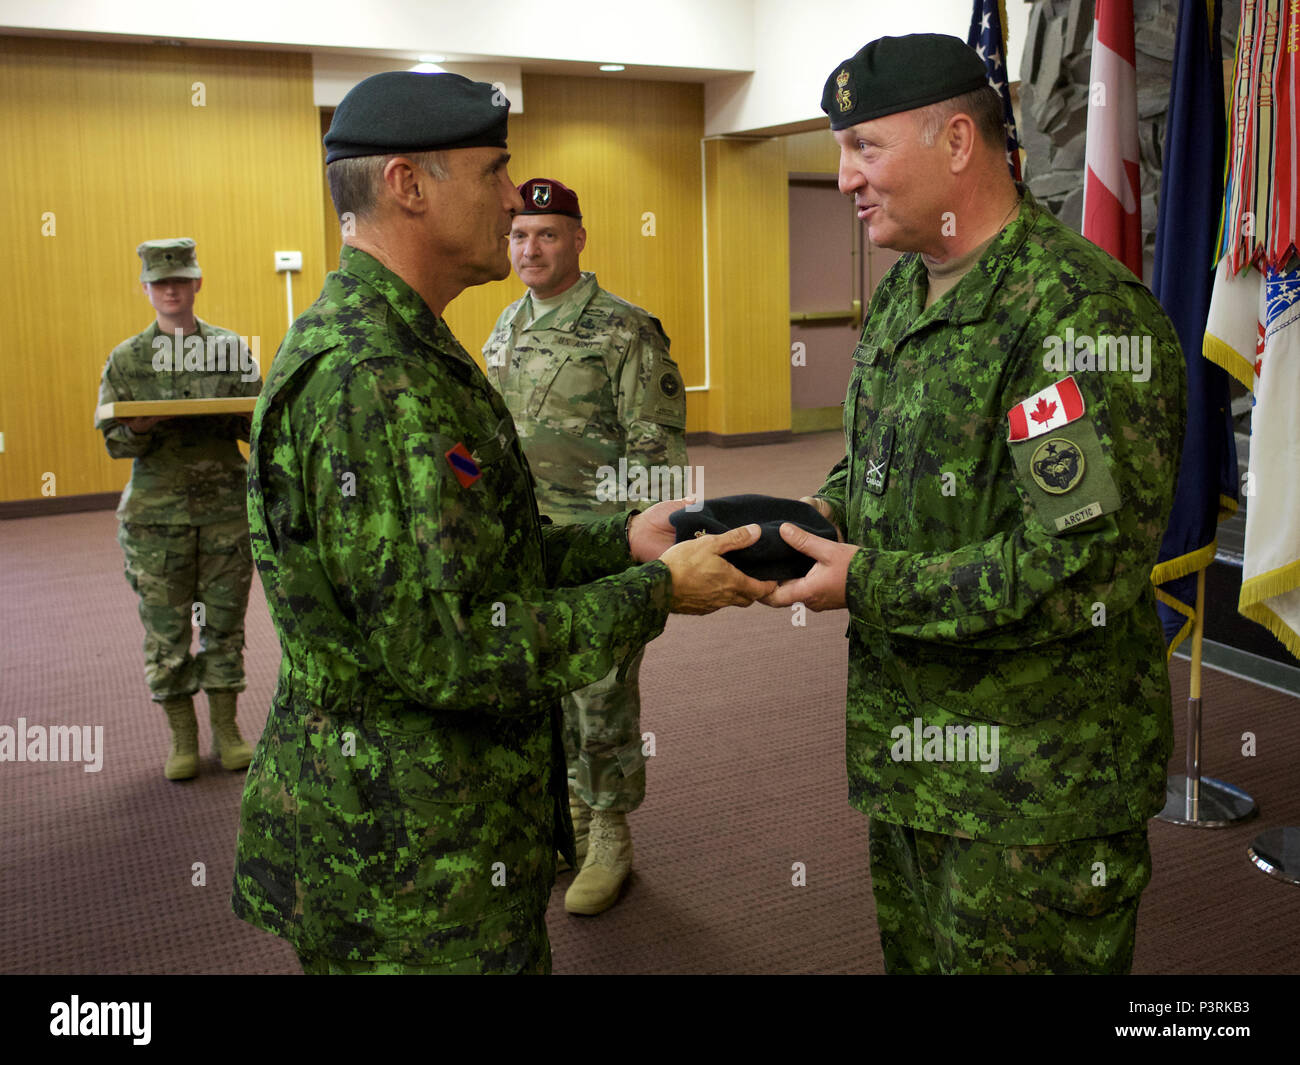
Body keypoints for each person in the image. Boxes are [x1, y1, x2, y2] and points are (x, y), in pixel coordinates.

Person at [229, 71, 773, 975]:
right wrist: (655, 590)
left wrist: (619, 540)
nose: (515, 200)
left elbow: (482, 559)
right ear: (408, 185)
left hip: (439, 824)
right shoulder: (372, 376)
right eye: (494, 173)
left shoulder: (409, 345)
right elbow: (451, 648)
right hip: (405, 857)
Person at [763, 34, 1187, 974]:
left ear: (957, 142)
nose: (842, 179)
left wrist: (868, 581)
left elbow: (1075, 570)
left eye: (864, 147)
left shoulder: (1073, 318)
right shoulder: (908, 294)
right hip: (915, 767)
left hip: (1033, 795)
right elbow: (873, 463)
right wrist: (823, 519)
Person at [483, 177, 688, 915]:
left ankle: (610, 833)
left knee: (598, 691)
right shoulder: (504, 326)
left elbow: (655, 449)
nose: (528, 248)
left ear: (577, 238)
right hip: (525, 546)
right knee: (540, 683)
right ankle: (566, 815)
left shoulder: (624, 329)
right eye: (517, 235)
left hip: (601, 542)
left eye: (545, 234)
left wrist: (644, 549)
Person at [95, 238, 261, 780]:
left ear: (197, 284)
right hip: (154, 516)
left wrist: (242, 417)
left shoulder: (232, 350)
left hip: (225, 513)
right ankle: (182, 739)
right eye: (160, 282)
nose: (171, 289)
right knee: (166, 631)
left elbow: (256, 426)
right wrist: (138, 429)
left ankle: (228, 731)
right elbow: (114, 442)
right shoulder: (127, 359)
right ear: (146, 289)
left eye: (181, 279)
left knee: (225, 623)